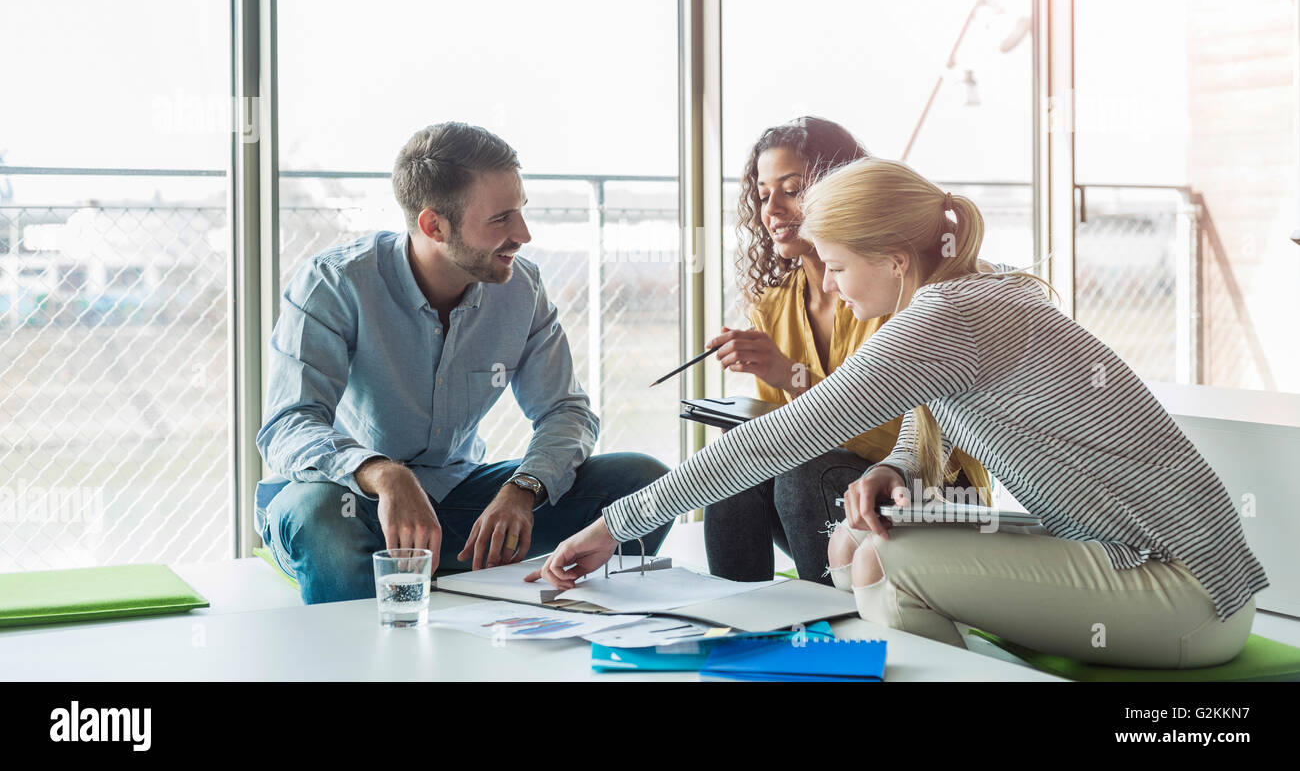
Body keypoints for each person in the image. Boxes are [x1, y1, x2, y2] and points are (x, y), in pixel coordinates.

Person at [529, 156, 1269, 668]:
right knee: (856, 540)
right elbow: (930, 417)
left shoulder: (946, 315)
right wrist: (894, 465)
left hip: (1187, 591)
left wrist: (610, 525)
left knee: (891, 558)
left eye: (841, 266)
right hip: (1145, 564)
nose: (835, 286)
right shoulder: (968, 292)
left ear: (894, 259)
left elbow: (775, 440)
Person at [255, 121, 671, 604]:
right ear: (434, 226)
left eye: (521, 212)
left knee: (643, 483)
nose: (523, 234)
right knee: (321, 516)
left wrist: (524, 487)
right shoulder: (335, 282)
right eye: (501, 219)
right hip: (348, 504)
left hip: (457, 503)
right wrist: (385, 474)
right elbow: (288, 425)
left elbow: (565, 412)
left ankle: (579, 615)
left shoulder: (522, 288)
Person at [703, 116, 992, 583]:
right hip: (825, 489)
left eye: (792, 189)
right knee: (738, 464)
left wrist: (789, 375)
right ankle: (739, 625)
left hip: (930, 488)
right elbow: (787, 434)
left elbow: (917, 440)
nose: (772, 208)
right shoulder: (773, 304)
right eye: (762, 194)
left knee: (801, 472)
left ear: (841, 193)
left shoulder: (899, 290)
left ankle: (837, 628)